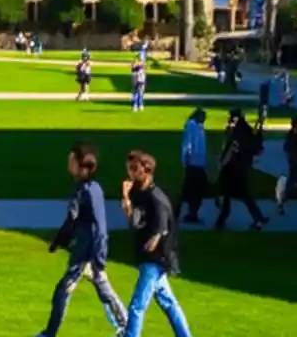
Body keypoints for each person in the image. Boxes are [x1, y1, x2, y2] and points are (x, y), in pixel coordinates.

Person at [37, 143, 127, 337]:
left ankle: (49, 333)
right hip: (83, 251)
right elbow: (72, 221)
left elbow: (99, 227)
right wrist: (59, 241)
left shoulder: (90, 191)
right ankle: (125, 329)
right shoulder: (82, 188)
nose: (68, 164)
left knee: (64, 291)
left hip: (87, 254)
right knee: (101, 290)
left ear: (81, 166)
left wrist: (99, 258)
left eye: (72, 160)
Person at [120, 151, 192, 337]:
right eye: (129, 169)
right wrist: (126, 198)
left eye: (134, 169)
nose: (131, 174)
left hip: (155, 258)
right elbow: (134, 221)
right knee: (169, 303)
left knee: (137, 305)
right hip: (147, 256)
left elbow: (164, 222)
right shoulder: (138, 193)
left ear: (147, 170)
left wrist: (156, 237)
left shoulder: (156, 196)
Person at [214, 110, 267, 231]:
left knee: (226, 194)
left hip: (232, 168)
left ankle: (221, 221)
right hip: (242, 168)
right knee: (245, 196)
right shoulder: (247, 130)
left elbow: (230, 149)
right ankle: (258, 218)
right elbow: (255, 146)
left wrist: (222, 162)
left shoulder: (236, 133)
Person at [177, 109, 208, 223]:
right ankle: (188, 212)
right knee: (192, 189)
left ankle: (190, 213)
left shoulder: (199, 127)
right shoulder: (192, 127)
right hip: (194, 163)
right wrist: (186, 160)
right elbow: (188, 144)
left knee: (191, 189)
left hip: (198, 163)